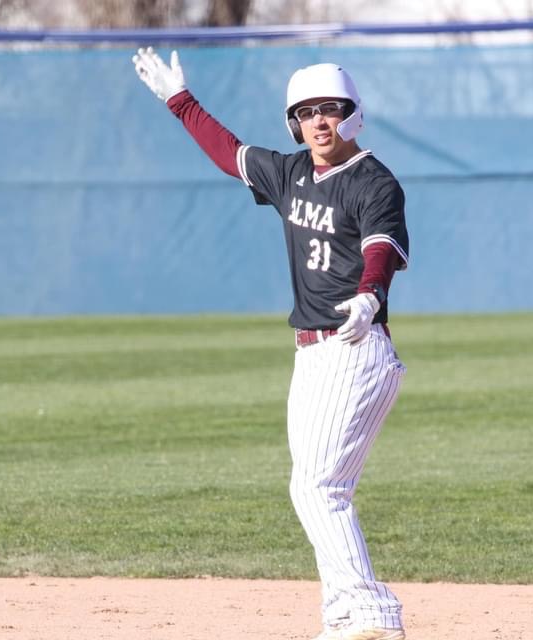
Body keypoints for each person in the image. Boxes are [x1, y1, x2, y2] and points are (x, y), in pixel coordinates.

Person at [132, 47, 410, 640]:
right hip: (311, 353)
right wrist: (179, 101)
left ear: (353, 114)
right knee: (313, 488)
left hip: (355, 346)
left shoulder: (374, 181)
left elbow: (380, 248)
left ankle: (374, 615)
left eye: (330, 109)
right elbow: (230, 155)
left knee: (319, 488)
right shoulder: (290, 174)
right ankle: (341, 617)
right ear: (293, 121)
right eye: (306, 112)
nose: (318, 121)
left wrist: (368, 296)